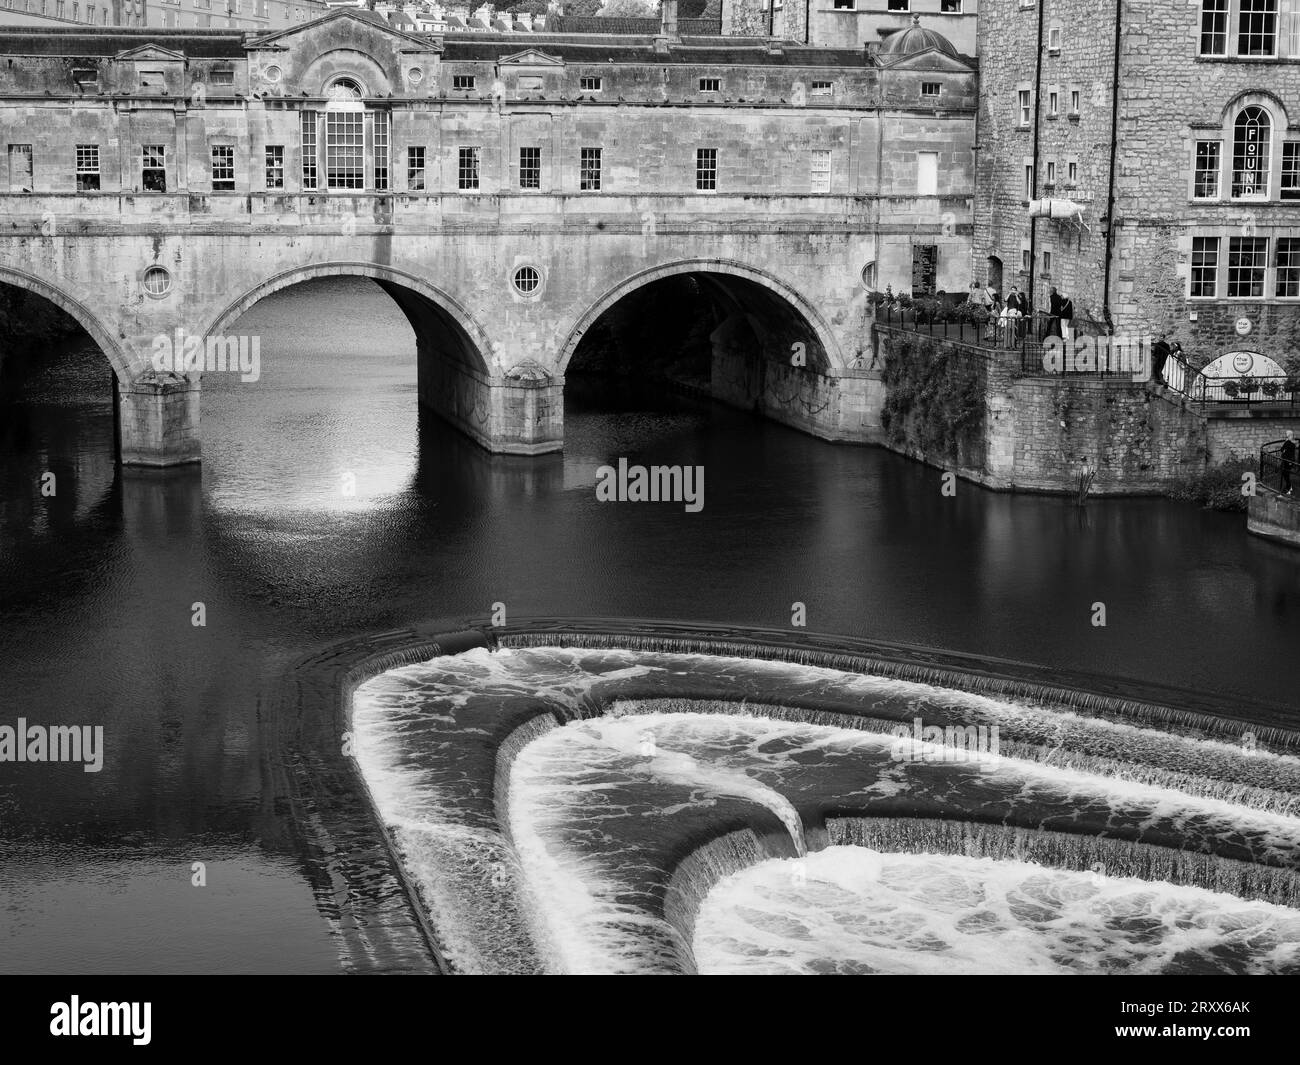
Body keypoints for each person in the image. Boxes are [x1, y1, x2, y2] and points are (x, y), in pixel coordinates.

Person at [1282, 430, 1297, 495]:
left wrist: (1284, 451)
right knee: (1286, 474)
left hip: (1287, 461)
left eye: (1287, 434)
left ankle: (1288, 489)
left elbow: (1282, 449)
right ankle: (1289, 487)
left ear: (1289, 435)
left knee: (1285, 474)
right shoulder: (1293, 443)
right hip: (1290, 461)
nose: (1286, 435)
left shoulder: (1287, 442)